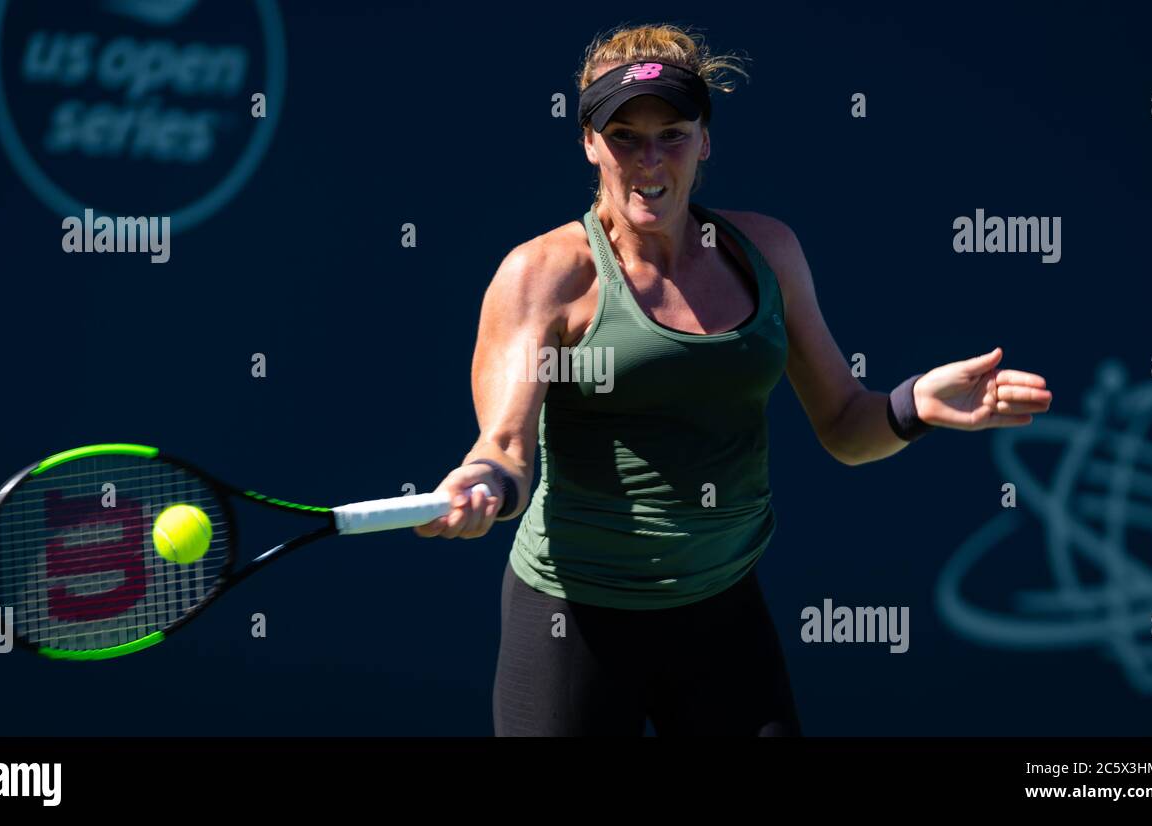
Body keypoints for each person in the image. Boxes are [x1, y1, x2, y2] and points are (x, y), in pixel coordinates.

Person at [414, 23, 1052, 736]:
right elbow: (505, 448)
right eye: (623, 135)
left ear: (705, 141)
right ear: (589, 144)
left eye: (673, 134)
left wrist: (913, 407)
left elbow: (845, 424)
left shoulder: (767, 252)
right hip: (573, 620)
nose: (648, 158)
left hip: (722, 613)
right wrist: (483, 485)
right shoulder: (542, 274)